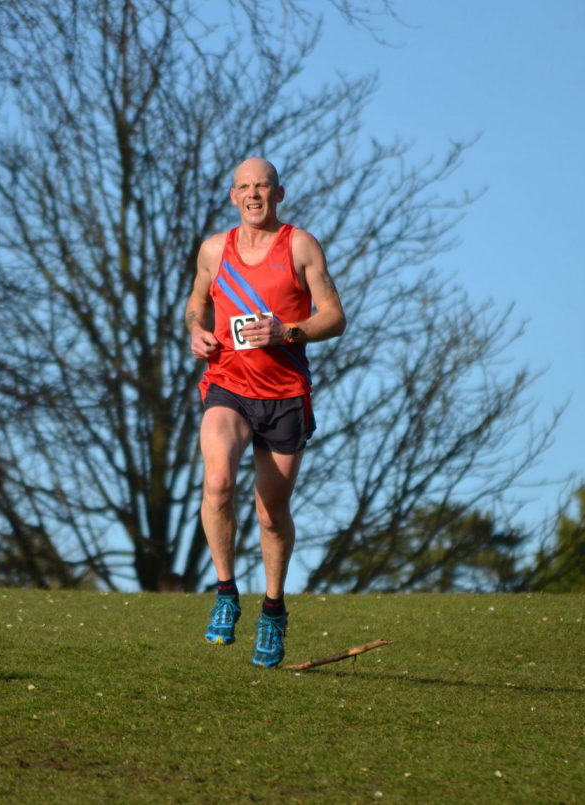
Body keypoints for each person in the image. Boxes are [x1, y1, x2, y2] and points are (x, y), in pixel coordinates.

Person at [185, 157, 346, 667]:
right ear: (233, 196)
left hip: (284, 394)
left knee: (270, 514)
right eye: (244, 187)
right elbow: (197, 302)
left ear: (280, 192)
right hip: (228, 384)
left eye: (263, 186)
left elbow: (335, 317)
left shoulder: (300, 245)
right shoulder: (214, 249)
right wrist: (196, 330)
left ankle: (273, 611)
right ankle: (226, 593)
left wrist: (287, 331)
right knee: (217, 484)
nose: (254, 194)